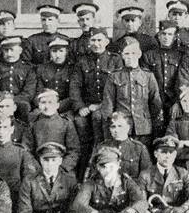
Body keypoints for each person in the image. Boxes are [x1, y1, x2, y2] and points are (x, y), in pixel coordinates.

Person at [100, 36, 163, 145]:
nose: (130, 57)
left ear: (139, 54)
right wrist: (110, 130)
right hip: (122, 128)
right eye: (126, 54)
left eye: (133, 53)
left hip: (143, 128)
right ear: (122, 56)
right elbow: (108, 105)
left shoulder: (148, 76)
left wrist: (154, 126)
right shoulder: (114, 77)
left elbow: (156, 103)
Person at [71, 27, 122, 155]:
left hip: (109, 105)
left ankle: (103, 153)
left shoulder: (115, 60)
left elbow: (119, 87)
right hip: (87, 105)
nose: (96, 43)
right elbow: (75, 86)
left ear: (106, 42)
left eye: (99, 40)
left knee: (99, 117)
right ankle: (85, 159)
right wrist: (80, 106)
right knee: (78, 122)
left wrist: (101, 105)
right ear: (89, 43)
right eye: (93, 40)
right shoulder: (82, 61)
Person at [25, 88, 82, 176]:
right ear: (39, 105)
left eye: (50, 102)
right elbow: (26, 150)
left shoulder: (66, 123)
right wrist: (37, 168)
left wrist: (62, 168)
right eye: (43, 102)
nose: (47, 106)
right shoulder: (33, 124)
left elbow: (74, 150)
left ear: (57, 105)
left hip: (62, 170)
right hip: (38, 169)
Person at [144, 19, 186, 121]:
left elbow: (183, 81)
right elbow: (146, 82)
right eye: (163, 34)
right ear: (158, 36)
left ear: (175, 37)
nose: (166, 37)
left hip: (174, 101)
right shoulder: (149, 56)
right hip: (153, 101)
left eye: (170, 34)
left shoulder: (181, 56)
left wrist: (177, 102)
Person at [0, 116, 35, 201]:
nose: (2, 132)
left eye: (5, 127)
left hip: (15, 198)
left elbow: (29, 179)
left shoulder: (21, 153)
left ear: (12, 129)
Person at [0, 35, 37, 121]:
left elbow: (29, 91)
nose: (9, 54)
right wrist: (1, 97)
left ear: (20, 50)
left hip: (19, 100)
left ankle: (23, 130)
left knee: (24, 106)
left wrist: (12, 100)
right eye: (6, 50)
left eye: (12, 50)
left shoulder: (28, 68)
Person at [94, 110, 152, 181]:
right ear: (109, 129)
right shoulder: (102, 147)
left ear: (128, 128)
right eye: (113, 127)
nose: (116, 130)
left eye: (120, 126)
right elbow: (94, 173)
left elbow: (146, 175)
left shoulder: (139, 148)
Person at [36, 37, 79, 115]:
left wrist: (56, 107)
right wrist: (46, 106)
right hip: (45, 106)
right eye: (54, 51)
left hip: (66, 108)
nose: (58, 55)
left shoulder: (73, 69)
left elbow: (73, 94)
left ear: (66, 52)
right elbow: (39, 91)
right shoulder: (41, 69)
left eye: (61, 51)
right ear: (49, 52)